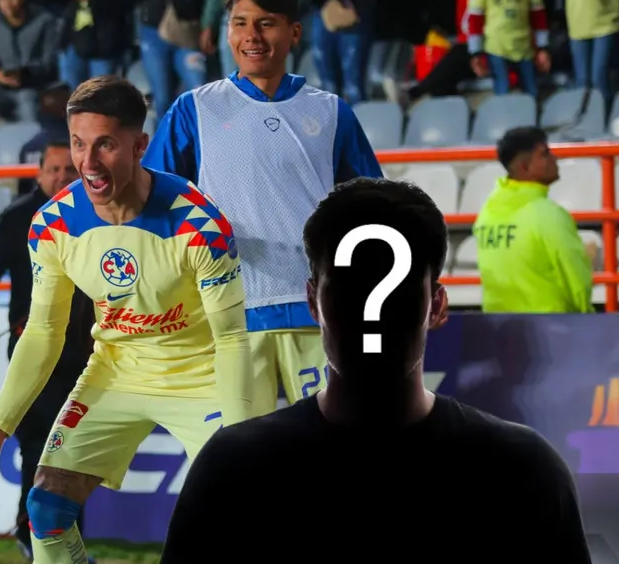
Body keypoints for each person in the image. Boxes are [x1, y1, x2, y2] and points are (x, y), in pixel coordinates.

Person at [161, 177, 592, 562]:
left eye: (393, 290)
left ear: (437, 305)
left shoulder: (524, 469)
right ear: (313, 301)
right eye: (354, 289)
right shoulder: (231, 469)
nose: (373, 314)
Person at [0, 75, 253, 563]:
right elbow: (43, 331)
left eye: (105, 144)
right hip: (116, 371)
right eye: (79, 144)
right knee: (46, 510)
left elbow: (231, 339)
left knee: (241, 509)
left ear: (140, 145)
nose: (88, 162)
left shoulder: (199, 225)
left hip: (200, 376)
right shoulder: (53, 225)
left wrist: (241, 434)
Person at [143, 0, 382, 417]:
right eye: (239, 23)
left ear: (294, 31)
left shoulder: (331, 111)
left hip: (318, 312)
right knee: (242, 449)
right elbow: (153, 203)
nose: (251, 36)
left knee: (337, 442)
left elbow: (374, 209)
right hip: (229, 316)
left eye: (266, 23)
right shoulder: (194, 109)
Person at [0, 138, 91, 559]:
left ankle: (64, 539)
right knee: (41, 449)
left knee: (76, 453)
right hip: (38, 354)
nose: (61, 177)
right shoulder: (21, 218)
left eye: (69, 170)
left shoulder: (100, 213)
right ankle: (32, 535)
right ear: (39, 174)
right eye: (54, 169)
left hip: (91, 355)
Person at [474, 126, 594, 313]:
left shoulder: (486, 213)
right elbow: (577, 285)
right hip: (550, 325)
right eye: (544, 154)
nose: (554, 158)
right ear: (524, 167)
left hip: (497, 325)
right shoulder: (549, 215)